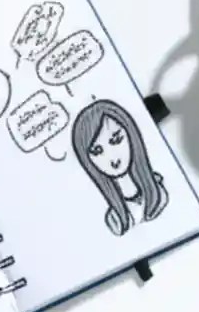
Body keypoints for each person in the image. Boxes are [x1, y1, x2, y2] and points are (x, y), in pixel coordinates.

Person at [71, 100, 169, 236]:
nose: (112, 157)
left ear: (131, 136)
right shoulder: (115, 220)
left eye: (116, 140)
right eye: (97, 151)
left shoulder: (159, 192)